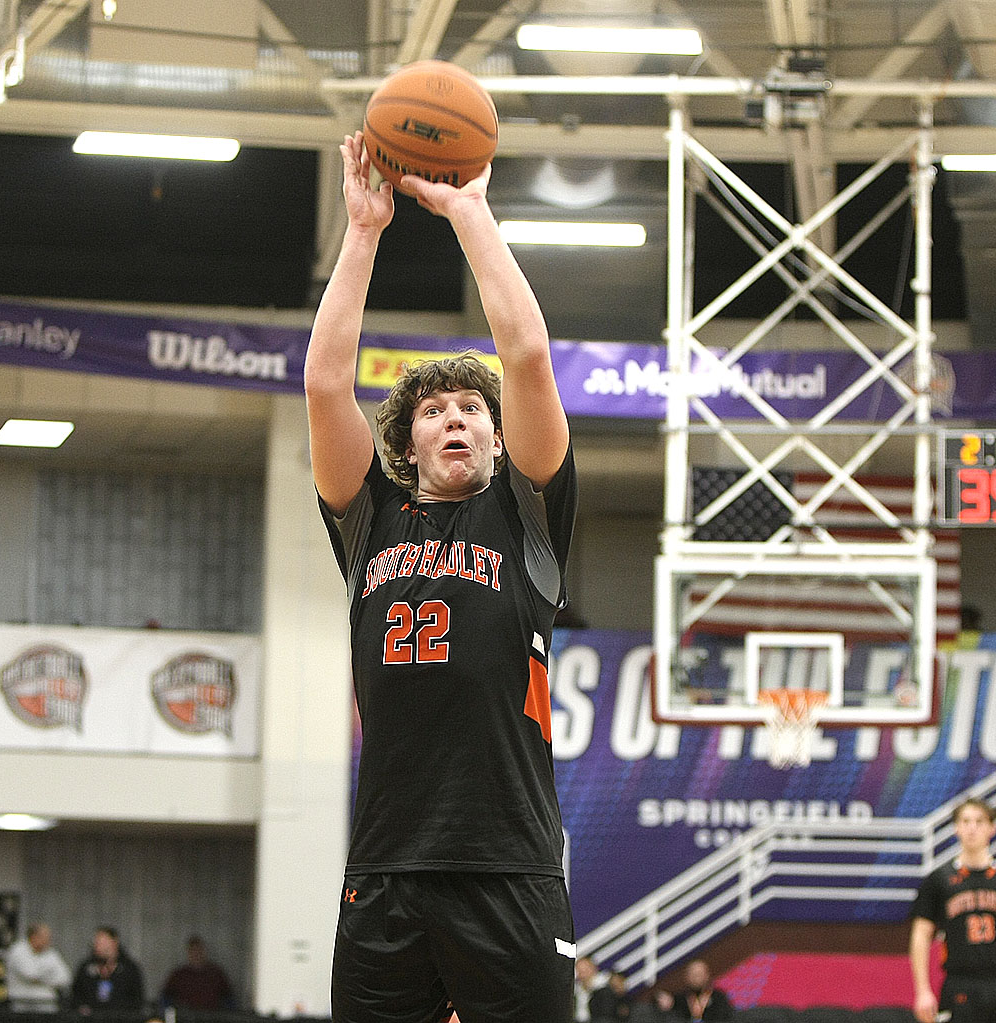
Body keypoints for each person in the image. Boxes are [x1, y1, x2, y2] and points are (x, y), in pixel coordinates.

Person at [306, 132, 578, 1023]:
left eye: (471, 409)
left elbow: (529, 357)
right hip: (386, 866)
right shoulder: (370, 518)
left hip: (509, 864)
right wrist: (363, 232)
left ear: (499, 439)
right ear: (407, 441)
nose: (456, 419)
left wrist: (469, 211)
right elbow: (322, 382)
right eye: (434, 411)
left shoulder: (524, 515)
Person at [909, 797, 996, 1023]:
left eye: (979, 821)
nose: (972, 828)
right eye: (965, 821)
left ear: (992, 828)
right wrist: (922, 990)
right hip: (960, 981)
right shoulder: (939, 879)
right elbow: (920, 935)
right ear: (956, 828)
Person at [70, 927, 145, 1014]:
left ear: (115, 942)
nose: (98, 946)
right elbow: (76, 996)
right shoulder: (86, 968)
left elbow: (136, 999)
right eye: (96, 942)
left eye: (103, 942)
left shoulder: (129, 969)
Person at [5, 922, 72, 1012]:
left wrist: (39, 980)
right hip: (21, 1005)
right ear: (34, 936)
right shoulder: (18, 950)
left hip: (46, 1006)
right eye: (45, 937)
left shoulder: (51, 953)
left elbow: (65, 978)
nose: (48, 941)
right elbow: (30, 975)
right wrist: (50, 975)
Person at [160, 935, 234, 1011]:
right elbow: (165, 997)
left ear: (204, 952)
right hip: (185, 1017)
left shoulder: (216, 973)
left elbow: (228, 998)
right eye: (193, 951)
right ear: (188, 953)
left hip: (211, 1017)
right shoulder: (179, 975)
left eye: (199, 950)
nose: (196, 954)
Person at [667, 960, 733, 1021]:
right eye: (693, 975)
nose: (696, 978)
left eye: (699, 974)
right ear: (686, 977)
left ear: (707, 975)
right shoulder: (679, 999)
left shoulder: (718, 997)